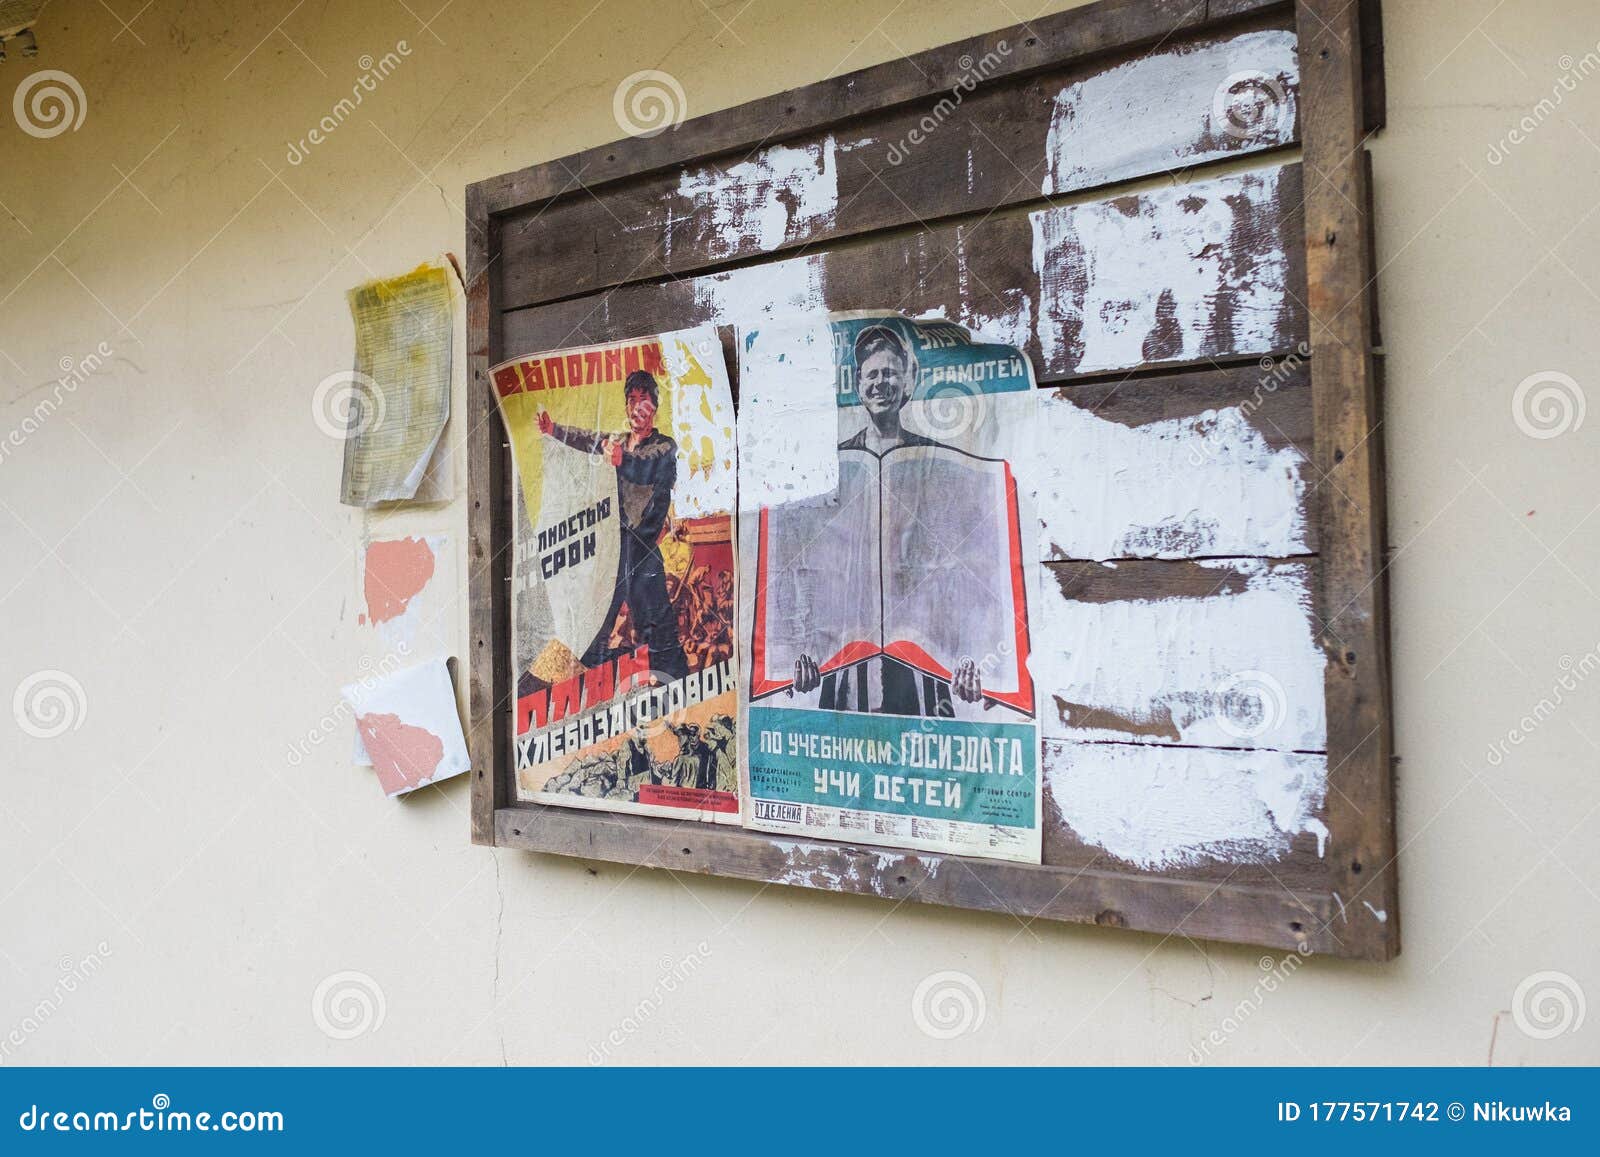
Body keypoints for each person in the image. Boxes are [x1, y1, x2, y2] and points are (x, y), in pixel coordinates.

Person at [791, 325, 982, 715]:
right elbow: (809, 563)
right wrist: (805, 648)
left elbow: (957, 560)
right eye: (872, 374)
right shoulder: (836, 463)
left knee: (915, 731)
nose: (881, 383)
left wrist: (966, 651)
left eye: (890, 373)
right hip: (851, 642)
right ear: (858, 385)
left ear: (906, 382)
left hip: (916, 639)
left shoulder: (930, 459)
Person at [538, 370, 689, 682]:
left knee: (656, 621)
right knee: (599, 618)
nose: (637, 406)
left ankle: (676, 679)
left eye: (643, 400)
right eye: (632, 400)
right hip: (615, 547)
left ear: (654, 407)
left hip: (643, 549)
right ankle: (587, 679)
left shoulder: (665, 447)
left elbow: (646, 468)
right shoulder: (617, 441)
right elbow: (587, 439)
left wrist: (623, 460)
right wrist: (554, 430)